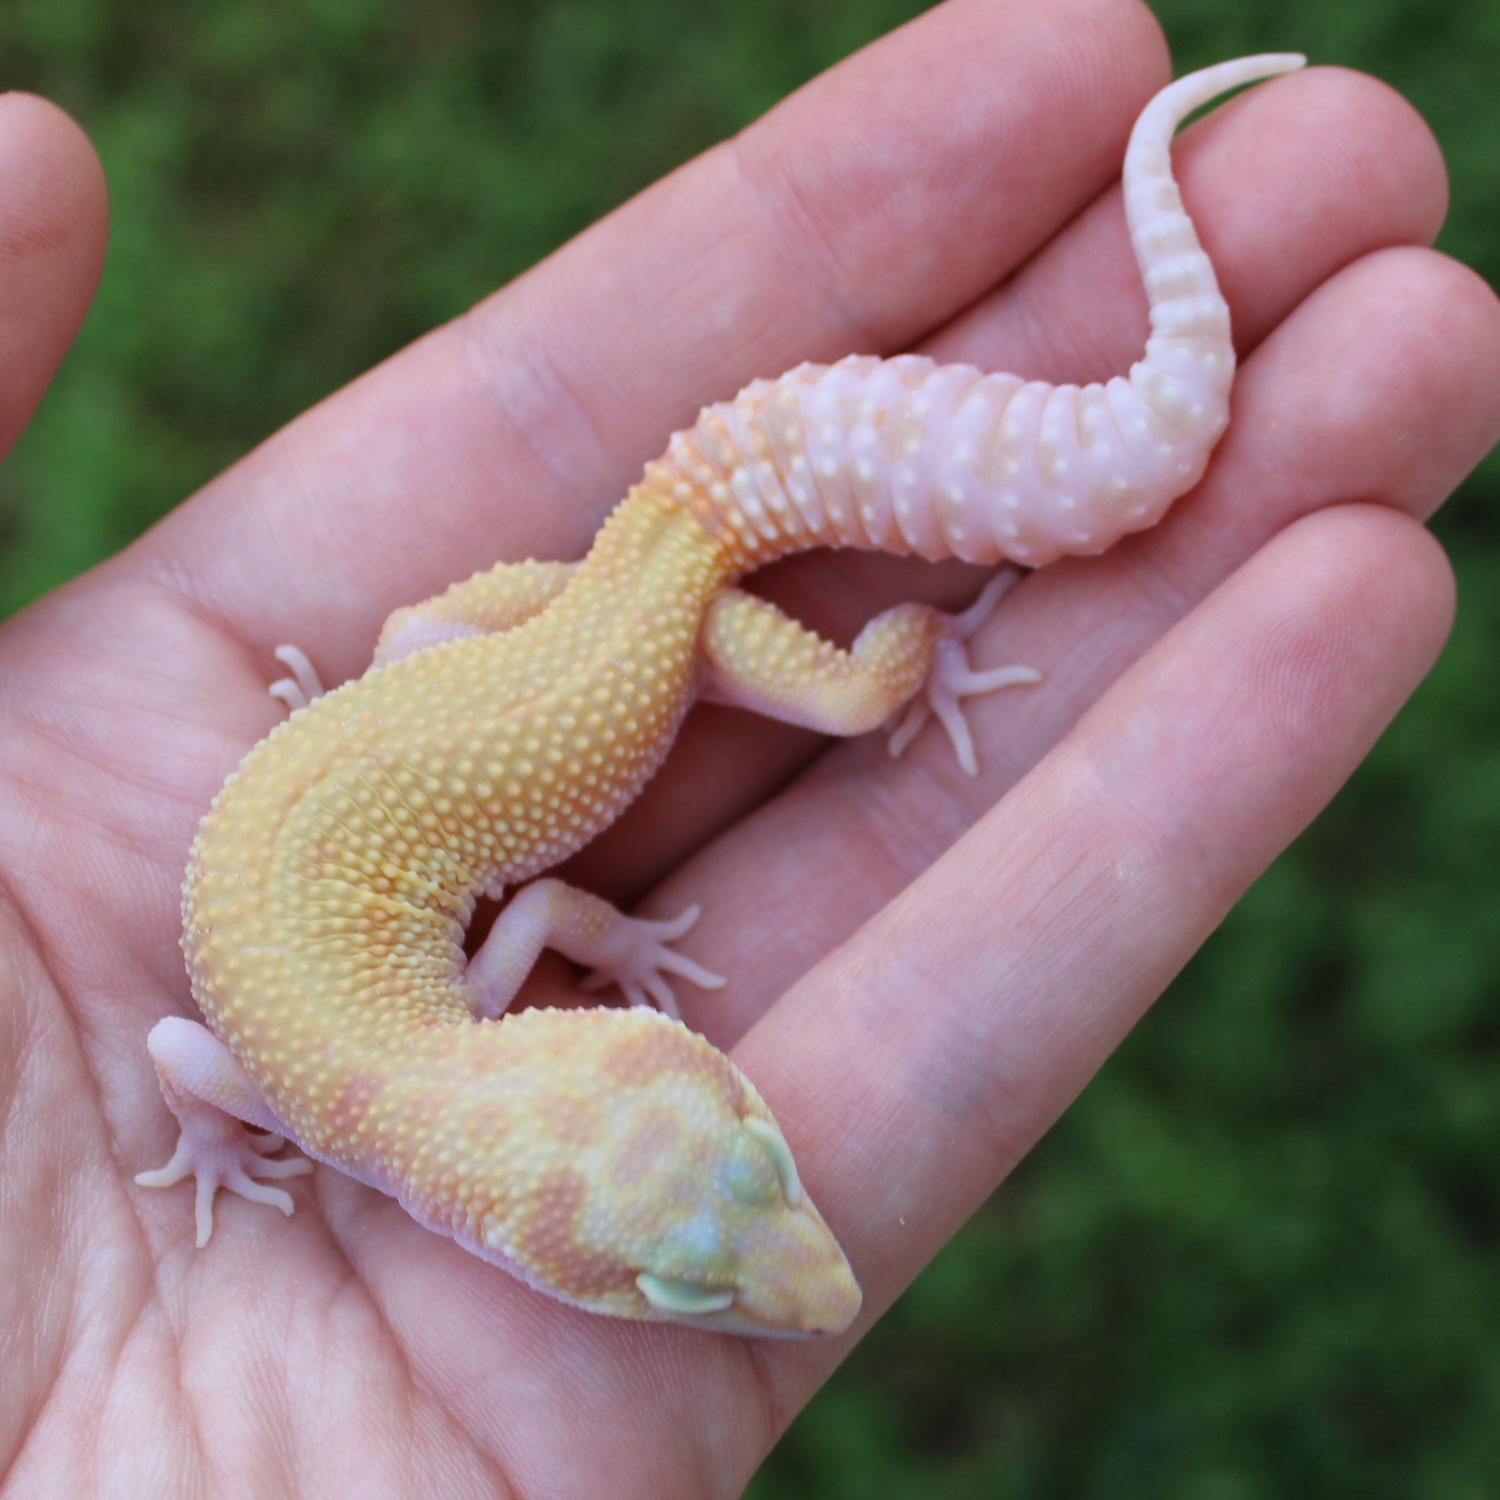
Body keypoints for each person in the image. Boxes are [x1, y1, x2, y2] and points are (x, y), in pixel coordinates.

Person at [0, 0, 1494, 1493]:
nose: (805, 1285)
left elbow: (513, 930)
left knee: (859, 696)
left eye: (694, 1276)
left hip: (621, 633)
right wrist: (216, 1124)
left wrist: (221, 1158)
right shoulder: (316, 1069)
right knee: (455, 667)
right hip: (469, 650)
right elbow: (181, 1049)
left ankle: (929, 630)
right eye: (703, 1274)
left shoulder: (382, 1059)